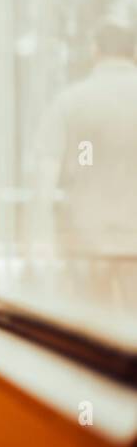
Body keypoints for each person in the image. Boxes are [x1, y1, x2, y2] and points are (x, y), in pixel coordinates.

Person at [29, 19, 137, 307]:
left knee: (92, 319)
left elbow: (46, 173)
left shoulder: (70, 101)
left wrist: (41, 233)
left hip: (87, 236)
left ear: (95, 51)